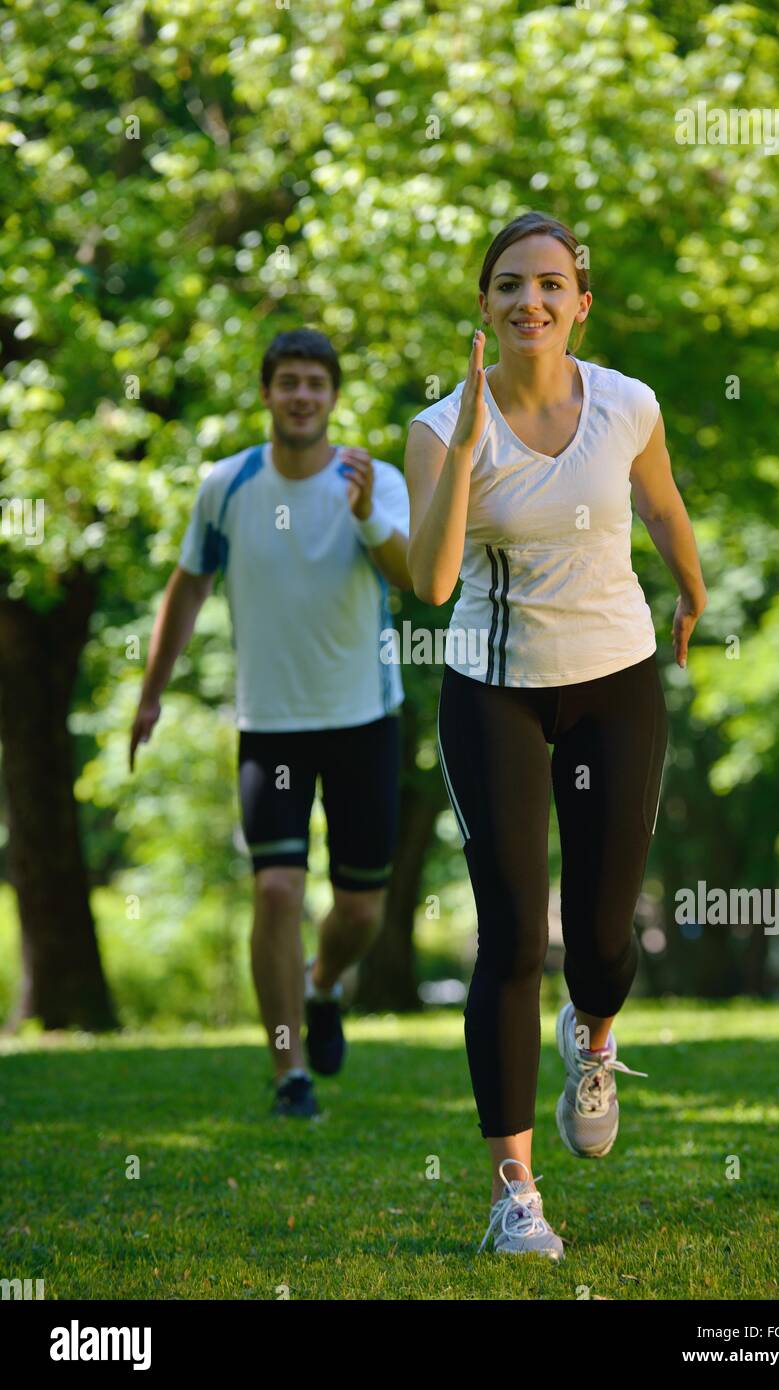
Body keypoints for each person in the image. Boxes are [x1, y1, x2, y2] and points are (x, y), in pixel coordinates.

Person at [405, 212, 707, 1259]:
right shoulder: (439, 427)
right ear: (483, 306)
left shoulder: (628, 404)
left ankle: (597, 1033)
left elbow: (662, 506)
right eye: (507, 286)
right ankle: (514, 1196)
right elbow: (433, 580)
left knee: (607, 934)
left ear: (580, 302)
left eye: (549, 284)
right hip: (495, 688)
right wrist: (469, 452)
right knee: (515, 937)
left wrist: (691, 586)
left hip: (616, 681)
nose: (528, 301)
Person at [130, 329, 412, 1117]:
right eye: (288, 381)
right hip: (271, 726)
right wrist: (152, 691)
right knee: (278, 890)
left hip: (362, 720)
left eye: (316, 384)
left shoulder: (372, 477)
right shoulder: (227, 484)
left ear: (332, 396)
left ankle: (324, 986)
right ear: (267, 393)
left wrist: (362, 515)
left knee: (360, 909)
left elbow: (414, 576)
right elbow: (188, 586)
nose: (301, 396)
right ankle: (289, 1073)